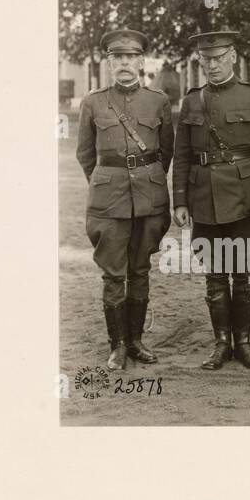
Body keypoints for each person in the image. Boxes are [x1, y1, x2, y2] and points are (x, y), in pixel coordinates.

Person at [172, 30, 250, 370]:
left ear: (233, 57)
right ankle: (221, 344)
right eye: (206, 60)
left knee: (243, 273)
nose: (212, 65)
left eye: (219, 58)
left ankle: (244, 344)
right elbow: (182, 156)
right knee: (214, 275)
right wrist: (180, 202)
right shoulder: (191, 101)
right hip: (203, 198)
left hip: (246, 200)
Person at [75, 28, 174, 371]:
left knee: (141, 269)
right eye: (118, 58)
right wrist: (106, 182)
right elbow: (85, 154)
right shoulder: (93, 101)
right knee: (114, 274)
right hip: (109, 202)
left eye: (131, 57)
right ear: (109, 62)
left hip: (148, 200)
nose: (125, 64)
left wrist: (147, 180)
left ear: (142, 61)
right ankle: (117, 346)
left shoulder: (157, 101)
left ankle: (135, 340)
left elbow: (166, 151)